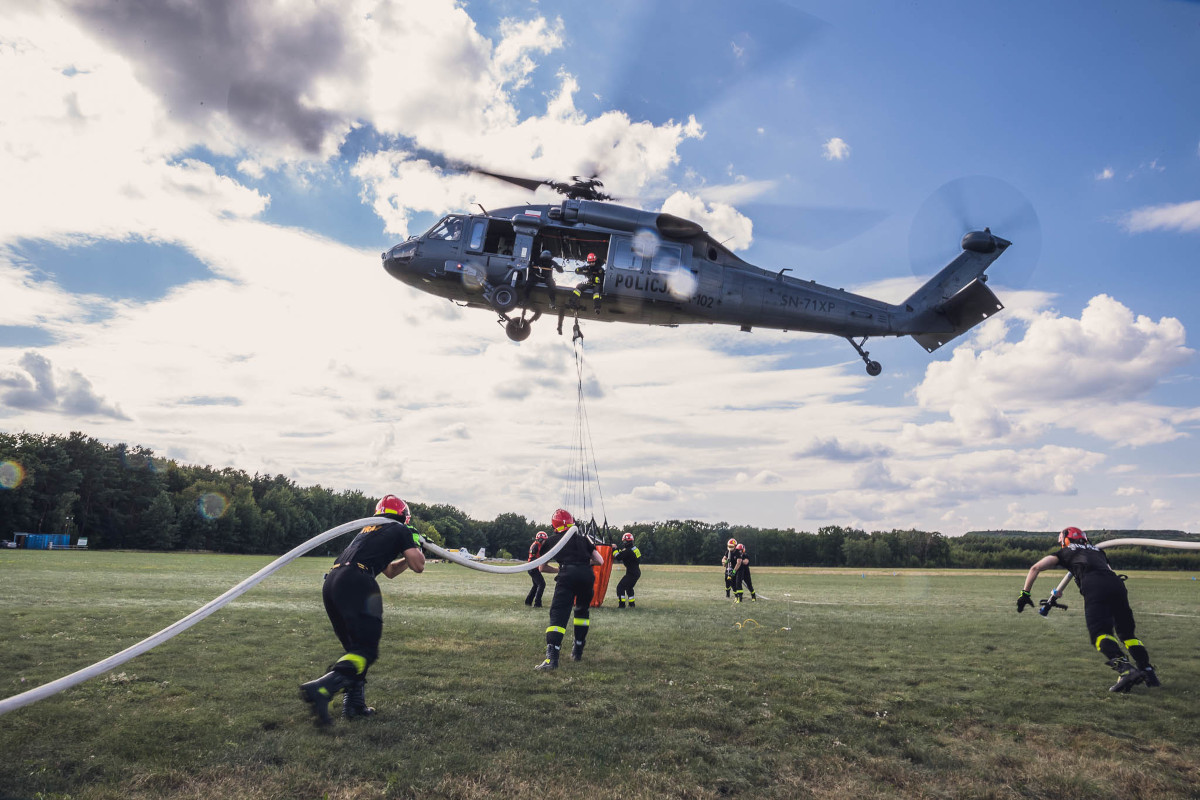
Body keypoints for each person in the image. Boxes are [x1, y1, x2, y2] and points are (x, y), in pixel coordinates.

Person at [299, 494, 425, 725]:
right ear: (405, 516)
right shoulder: (400, 529)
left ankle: (354, 706)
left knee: (354, 649)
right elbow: (419, 565)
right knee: (366, 651)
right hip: (358, 581)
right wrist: (415, 544)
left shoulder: (368, 530)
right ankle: (321, 689)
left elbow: (389, 571)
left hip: (333, 581)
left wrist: (407, 552)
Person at [1019, 526, 1159, 692]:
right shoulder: (1098, 551)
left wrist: (1025, 593)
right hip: (1117, 585)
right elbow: (1108, 571)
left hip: (1095, 587)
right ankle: (1148, 672)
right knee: (1128, 634)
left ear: (1065, 539)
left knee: (1100, 634)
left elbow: (1035, 568)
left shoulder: (1064, 552)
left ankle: (1126, 669)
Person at [534, 508, 603, 670]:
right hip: (587, 576)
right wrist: (582, 565)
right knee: (581, 612)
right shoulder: (584, 539)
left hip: (567, 576)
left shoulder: (551, 541)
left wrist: (562, 569)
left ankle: (552, 659)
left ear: (554, 525)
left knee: (558, 614)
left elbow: (541, 568)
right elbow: (599, 560)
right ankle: (578, 648)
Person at [612, 531, 642, 608]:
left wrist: (614, 549)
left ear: (627, 541)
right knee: (629, 588)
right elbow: (623, 553)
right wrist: (618, 549)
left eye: (624, 541)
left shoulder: (628, 551)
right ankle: (632, 604)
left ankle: (621, 605)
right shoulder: (634, 549)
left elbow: (618, 557)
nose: (624, 543)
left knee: (620, 587)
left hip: (631, 573)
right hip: (636, 572)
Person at [525, 531, 548, 607]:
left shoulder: (537, 545)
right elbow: (533, 558)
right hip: (533, 568)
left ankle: (528, 601)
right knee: (542, 584)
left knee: (536, 585)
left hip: (533, 567)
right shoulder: (535, 546)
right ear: (540, 539)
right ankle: (537, 603)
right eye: (544, 540)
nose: (545, 542)